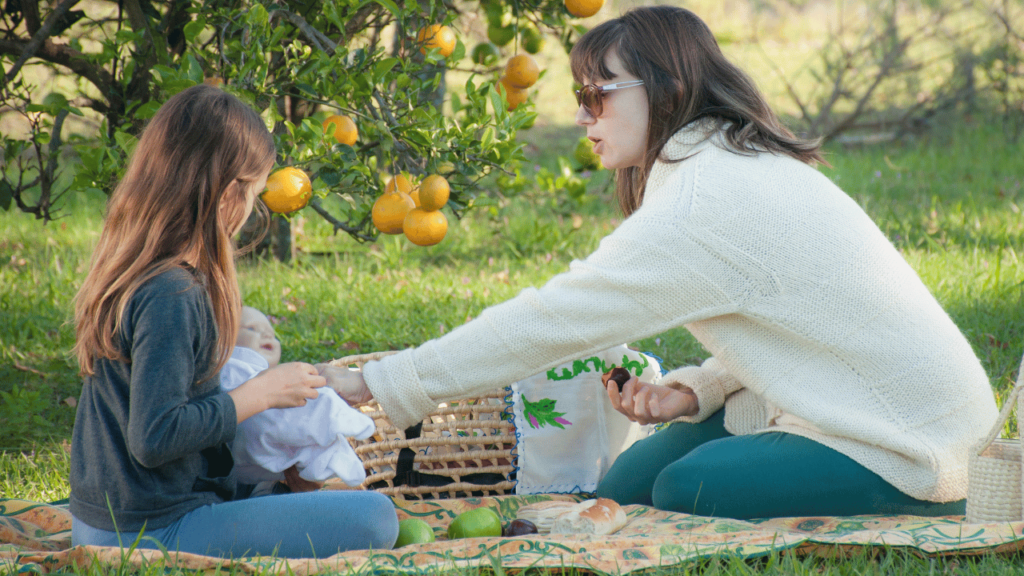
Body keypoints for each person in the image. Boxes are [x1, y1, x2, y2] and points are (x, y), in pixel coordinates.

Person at [339, 6, 999, 520]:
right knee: (624, 491)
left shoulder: (708, 198)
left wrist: (384, 381)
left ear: (665, 88)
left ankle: (929, 505)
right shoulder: (716, 165)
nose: (580, 114)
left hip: (907, 448)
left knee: (684, 487)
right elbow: (796, 320)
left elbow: (552, 320)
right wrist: (699, 390)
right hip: (835, 406)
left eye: (598, 94)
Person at [69, 84, 398, 558]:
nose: (252, 211)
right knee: (374, 517)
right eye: (255, 193)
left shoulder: (150, 273)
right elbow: (155, 437)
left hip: (119, 517)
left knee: (303, 502)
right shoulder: (172, 294)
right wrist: (259, 394)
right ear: (227, 195)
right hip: (147, 534)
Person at [222, 306, 375, 489]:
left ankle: (327, 454)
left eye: (272, 333)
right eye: (251, 329)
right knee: (310, 410)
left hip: (258, 478)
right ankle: (335, 417)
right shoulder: (230, 370)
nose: (266, 335)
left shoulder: (281, 379)